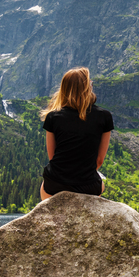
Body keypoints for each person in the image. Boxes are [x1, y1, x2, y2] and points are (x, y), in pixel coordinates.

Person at [39, 67, 114, 199]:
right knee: (101, 184)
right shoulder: (104, 116)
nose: (92, 84)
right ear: (85, 88)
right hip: (88, 186)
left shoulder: (52, 117)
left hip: (55, 184)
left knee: (44, 188)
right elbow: (99, 160)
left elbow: (53, 158)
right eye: (89, 82)